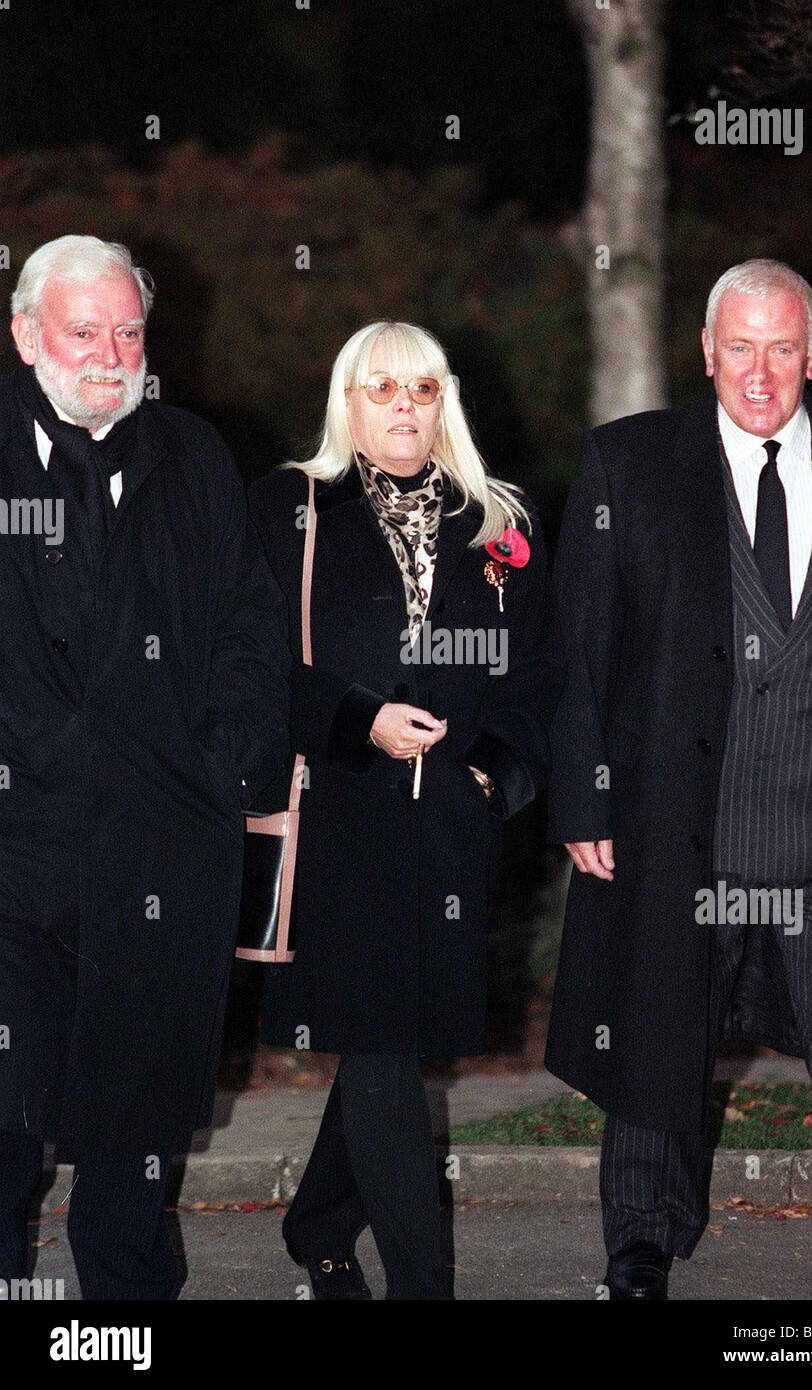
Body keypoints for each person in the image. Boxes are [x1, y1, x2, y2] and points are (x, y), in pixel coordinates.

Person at [545, 259, 812, 1299]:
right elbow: (579, 652)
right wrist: (583, 797)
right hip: (674, 820)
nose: (759, 372)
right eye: (737, 347)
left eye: (780, 347)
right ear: (705, 353)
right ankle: (640, 1248)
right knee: (655, 1035)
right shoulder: (629, 464)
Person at [0, 235, 289, 1299]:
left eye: (129, 330)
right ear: (28, 334)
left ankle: (123, 1325)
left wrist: (221, 769)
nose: (111, 353)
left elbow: (253, 636)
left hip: (160, 858)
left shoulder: (194, 455)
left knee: (132, 1137)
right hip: (10, 860)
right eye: (85, 332)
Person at [249, 320, 562, 1299]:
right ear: (348, 401)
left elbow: (540, 674)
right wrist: (359, 720)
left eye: (420, 390)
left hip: (449, 834)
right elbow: (250, 666)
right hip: (340, 819)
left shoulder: (499, 521)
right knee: (382, 1049)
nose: (402, 408)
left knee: (391, 1039)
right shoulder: (288, 506)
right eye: (380, 388)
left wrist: (495, 776)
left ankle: (318, 1225)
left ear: (444, 402)